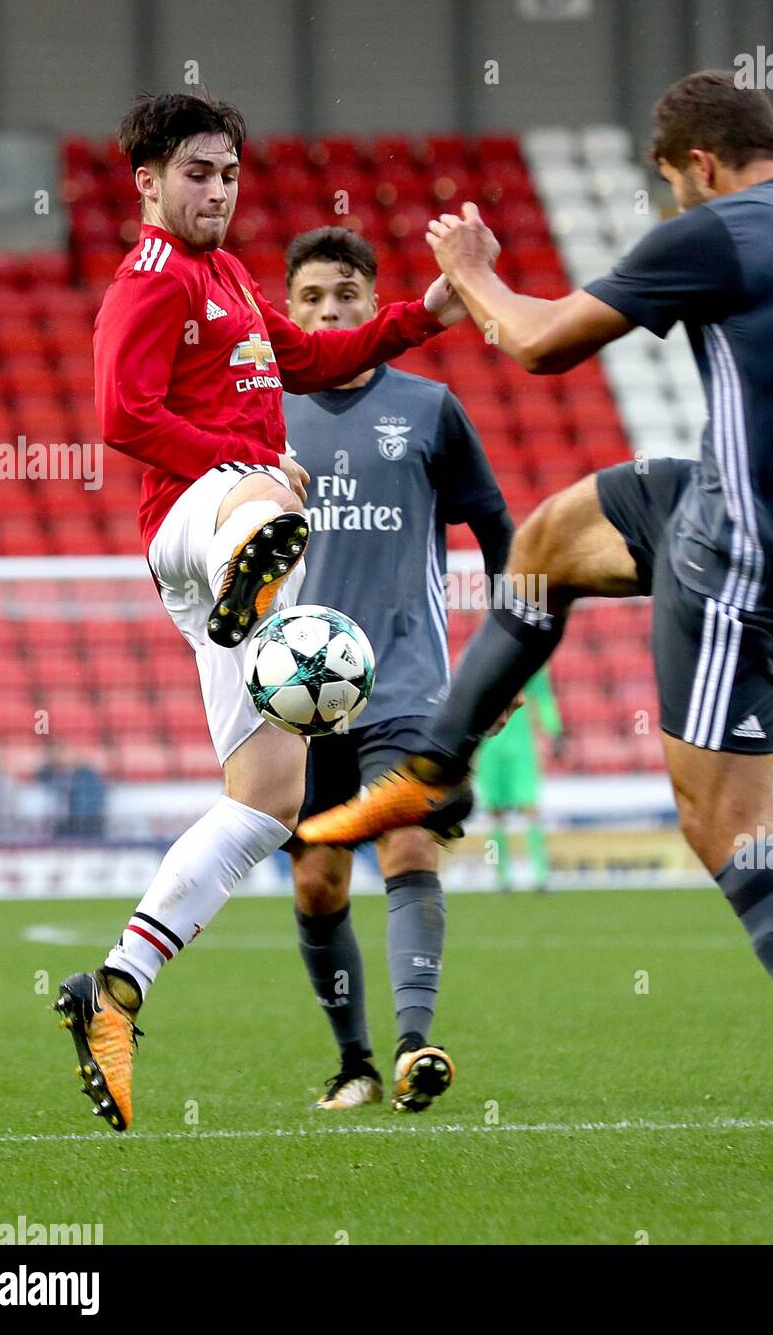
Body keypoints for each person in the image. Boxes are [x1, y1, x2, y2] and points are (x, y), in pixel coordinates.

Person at [296, 70, 773, 1180]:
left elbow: (542, 344)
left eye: (668, 187)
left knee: (722, 825)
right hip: (715, 502)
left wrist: (469, 276)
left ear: (695, 164)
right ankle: (434, 768)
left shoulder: (721, 229)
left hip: (735, 560)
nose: (669, 208)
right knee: (546, 540)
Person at [52, 92, 467, 1132]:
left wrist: (426, 312)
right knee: (276, 493)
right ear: (146, 182)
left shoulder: (232, 276)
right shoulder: (150, 281)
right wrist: (239, 467)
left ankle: (114, 986)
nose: (217, 190)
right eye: (195, 172)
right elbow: (119, 415)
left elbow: (317, 360)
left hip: (223, 559)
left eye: (228, 173)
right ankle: (258, 563)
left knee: (265, 805)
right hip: (191, 522)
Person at [281, 227, 513, 1112]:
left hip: (407, 683)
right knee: (316, 881)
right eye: (311, 298)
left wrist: (503, 658)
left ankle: (417, 1045)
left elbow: (498, 531)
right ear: (290, 311)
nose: (330, 309)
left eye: (345, 293)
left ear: (375, 303)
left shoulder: (427, 408)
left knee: (410, 840)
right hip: (302, 700)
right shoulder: (266, 416)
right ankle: (355, 1065)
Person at [475, 667, 561, 892]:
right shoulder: (480, 658)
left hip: (521, 746)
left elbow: (542, 696)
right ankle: (502, 877)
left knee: (530, 808)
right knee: (495, 813)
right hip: (490, 747)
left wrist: (553, 731)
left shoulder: (531, 659)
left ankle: (540, 876)